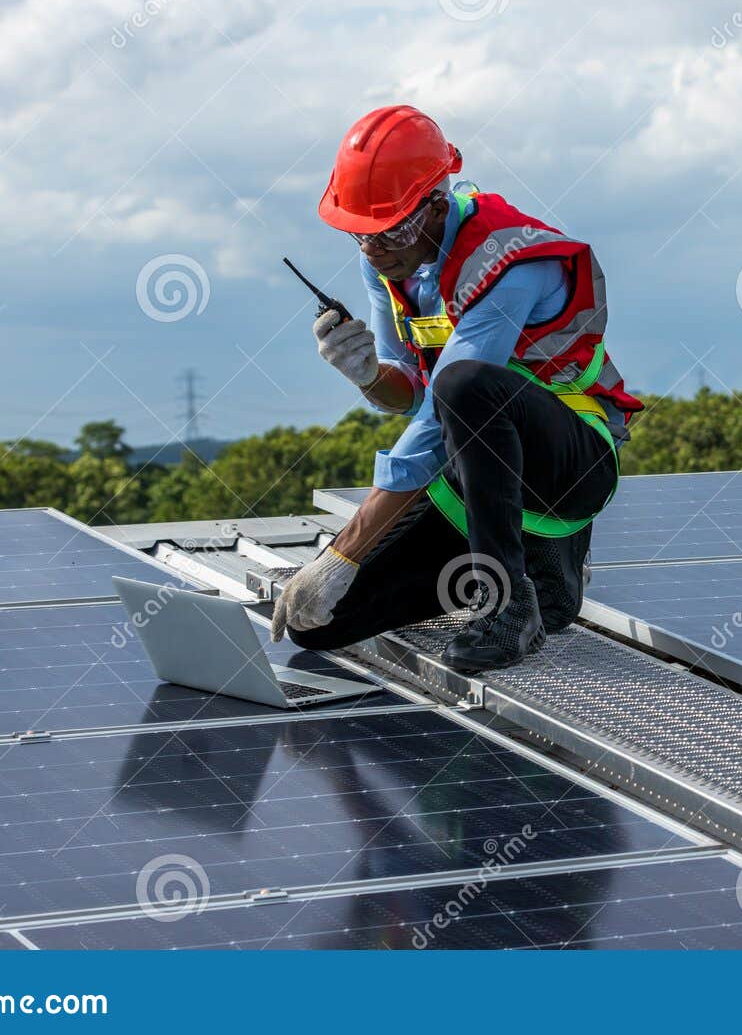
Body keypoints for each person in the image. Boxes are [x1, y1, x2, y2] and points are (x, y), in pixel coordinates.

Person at [269, 105, 640, 673]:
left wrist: (343, 550)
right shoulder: (391, 263)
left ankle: (510, 609)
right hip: (476, 467)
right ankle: (546, 583)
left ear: (435, 207)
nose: (373, 252)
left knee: (467, 383)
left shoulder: (507, 262)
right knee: (321, 624)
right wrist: (368, 375)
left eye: (388, 232)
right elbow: (415, 397)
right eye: (360, 235)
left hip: (570, 463)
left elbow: (452, 395)